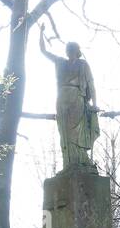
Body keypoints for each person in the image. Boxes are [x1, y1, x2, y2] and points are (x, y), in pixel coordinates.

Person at [39, 29, 99, 170]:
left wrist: (95, 104)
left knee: (76, 130)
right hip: (62, 99)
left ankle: (81, 159)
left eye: (72, 49)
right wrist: (41, 33)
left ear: (77, 51)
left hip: (76, 98)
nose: (69, 51)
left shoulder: (83, 65)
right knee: (64, 132)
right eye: (68, 49)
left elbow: (91, 83)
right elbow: (43, 51)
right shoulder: (60, 62)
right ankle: (69, 162)